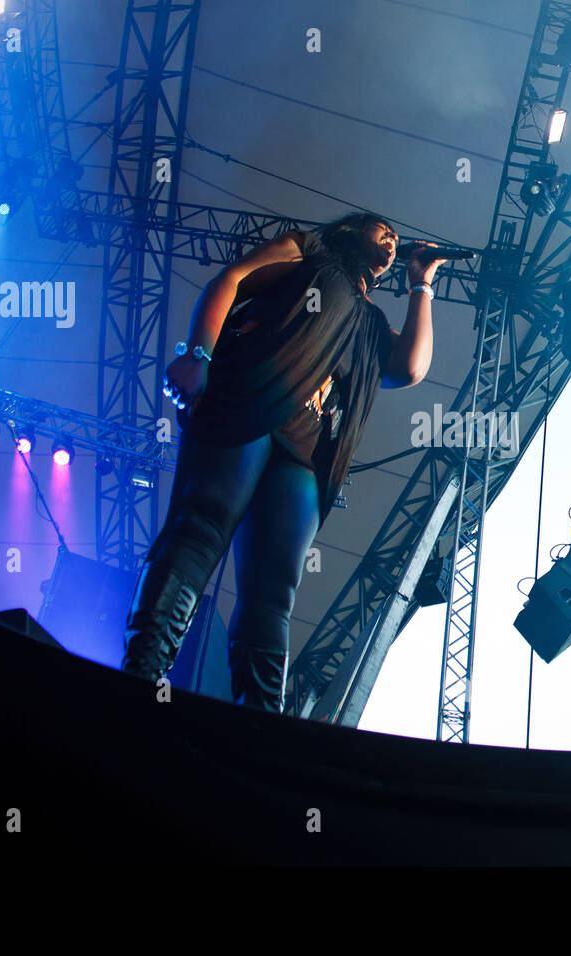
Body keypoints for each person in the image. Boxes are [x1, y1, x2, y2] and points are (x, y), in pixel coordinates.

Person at [120, 213, 443, 711]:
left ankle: (262, 721)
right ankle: (144, 672)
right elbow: (231, 280)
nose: (394, 240)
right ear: (351, 230)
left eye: (398, 240)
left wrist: (421, 284)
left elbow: (409, 367)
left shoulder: (375, 323)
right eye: (383, 230)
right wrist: (198, 355)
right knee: (203, 524)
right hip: (252, 396)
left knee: (274, 588)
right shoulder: (310, 250)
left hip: (310, 449)